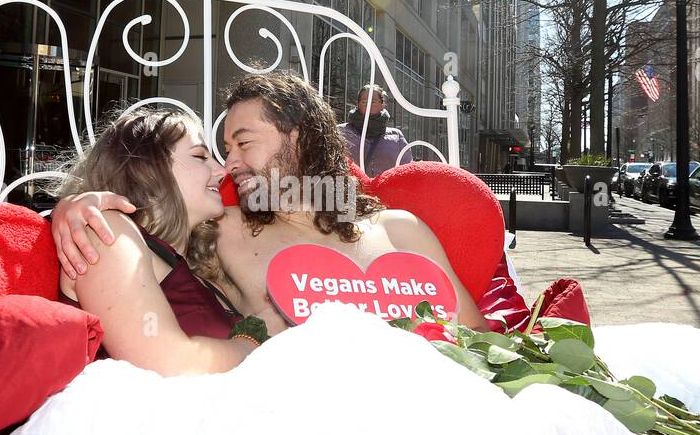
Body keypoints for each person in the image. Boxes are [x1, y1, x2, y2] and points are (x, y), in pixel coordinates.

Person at [54, 72, 488, 336]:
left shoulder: (401, 229)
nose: (230, 164)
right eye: (222, 149)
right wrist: (78, 205)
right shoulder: (219, 232)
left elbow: (477, 338)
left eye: (243, 143)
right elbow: (140, 224)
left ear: (297, 137)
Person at [52, 108, 260, 377]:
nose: (221, 171)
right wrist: (252, 344)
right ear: (146, 170)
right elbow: (170, 363)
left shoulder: (195, 272)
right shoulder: (106, 230)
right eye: (199, 156)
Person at [338, 84, 409, 177]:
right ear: (357, 104)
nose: (368, 106)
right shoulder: (341, 132)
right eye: (364, 102)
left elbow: (407, 169)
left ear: (382, 105)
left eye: (373, 102)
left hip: (385, 190)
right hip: (352, 189)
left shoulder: (396, 136)